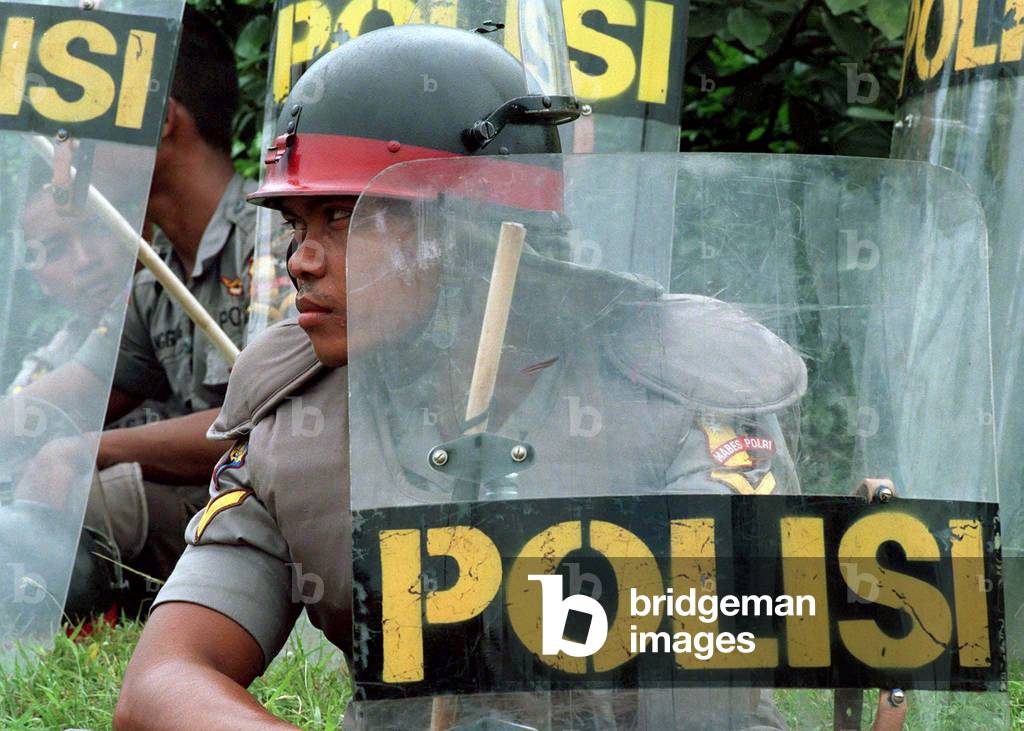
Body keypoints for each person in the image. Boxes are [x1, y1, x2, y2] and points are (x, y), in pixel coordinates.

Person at [115, 24, 908, 731]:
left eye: (349, 216)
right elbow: (163, 679)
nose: (301, 259)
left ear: (475, 227)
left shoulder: (684, 383)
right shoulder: (299, 417)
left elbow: (703, 692)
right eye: (298, 222)